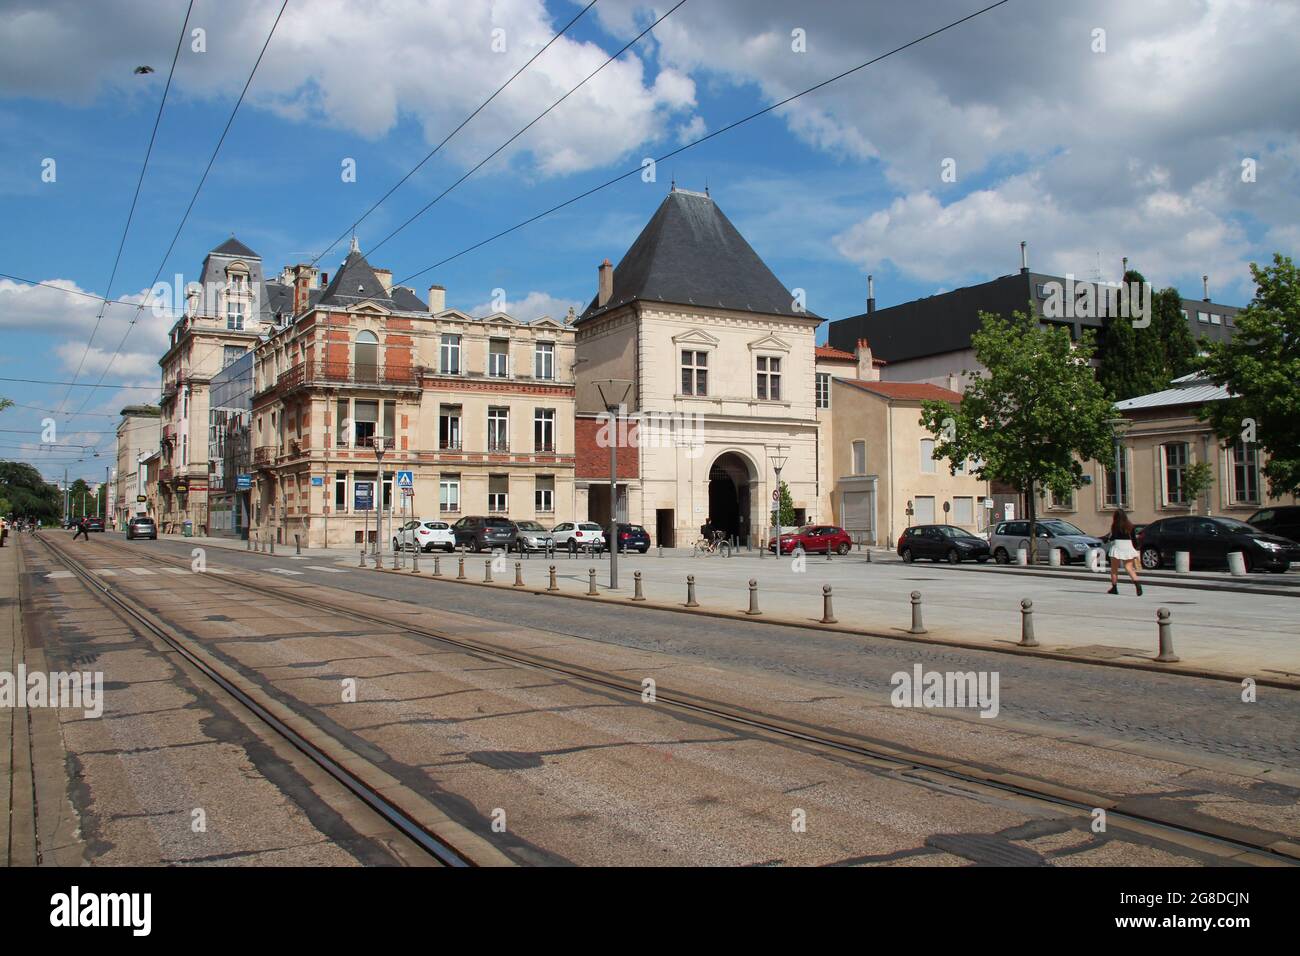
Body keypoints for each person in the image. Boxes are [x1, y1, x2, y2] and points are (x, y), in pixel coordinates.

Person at [1105, 509, 1142, 596]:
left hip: (1118, 546)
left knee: (1114, 569)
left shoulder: (1115, 526)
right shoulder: (1130, 526)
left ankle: (1114, 588)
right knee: (1129, 568)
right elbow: (1134, 539)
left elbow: (1113, 537)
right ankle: (1138, 585)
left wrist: (1108, 539)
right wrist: (1136, 548)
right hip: (1128, 546)